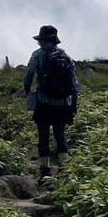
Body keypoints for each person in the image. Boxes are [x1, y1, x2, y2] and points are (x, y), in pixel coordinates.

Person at [23, 25, 78, 181]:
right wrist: (73, 104)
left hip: (44, 101)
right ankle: (64, 171)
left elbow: (29, 74)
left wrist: (27, 89)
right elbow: (74, 83)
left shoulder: (38, 54)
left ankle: (45, 172)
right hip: (64, 102)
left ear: (42, 40)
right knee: (60, 135)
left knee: (43, 135)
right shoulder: (66, 56)